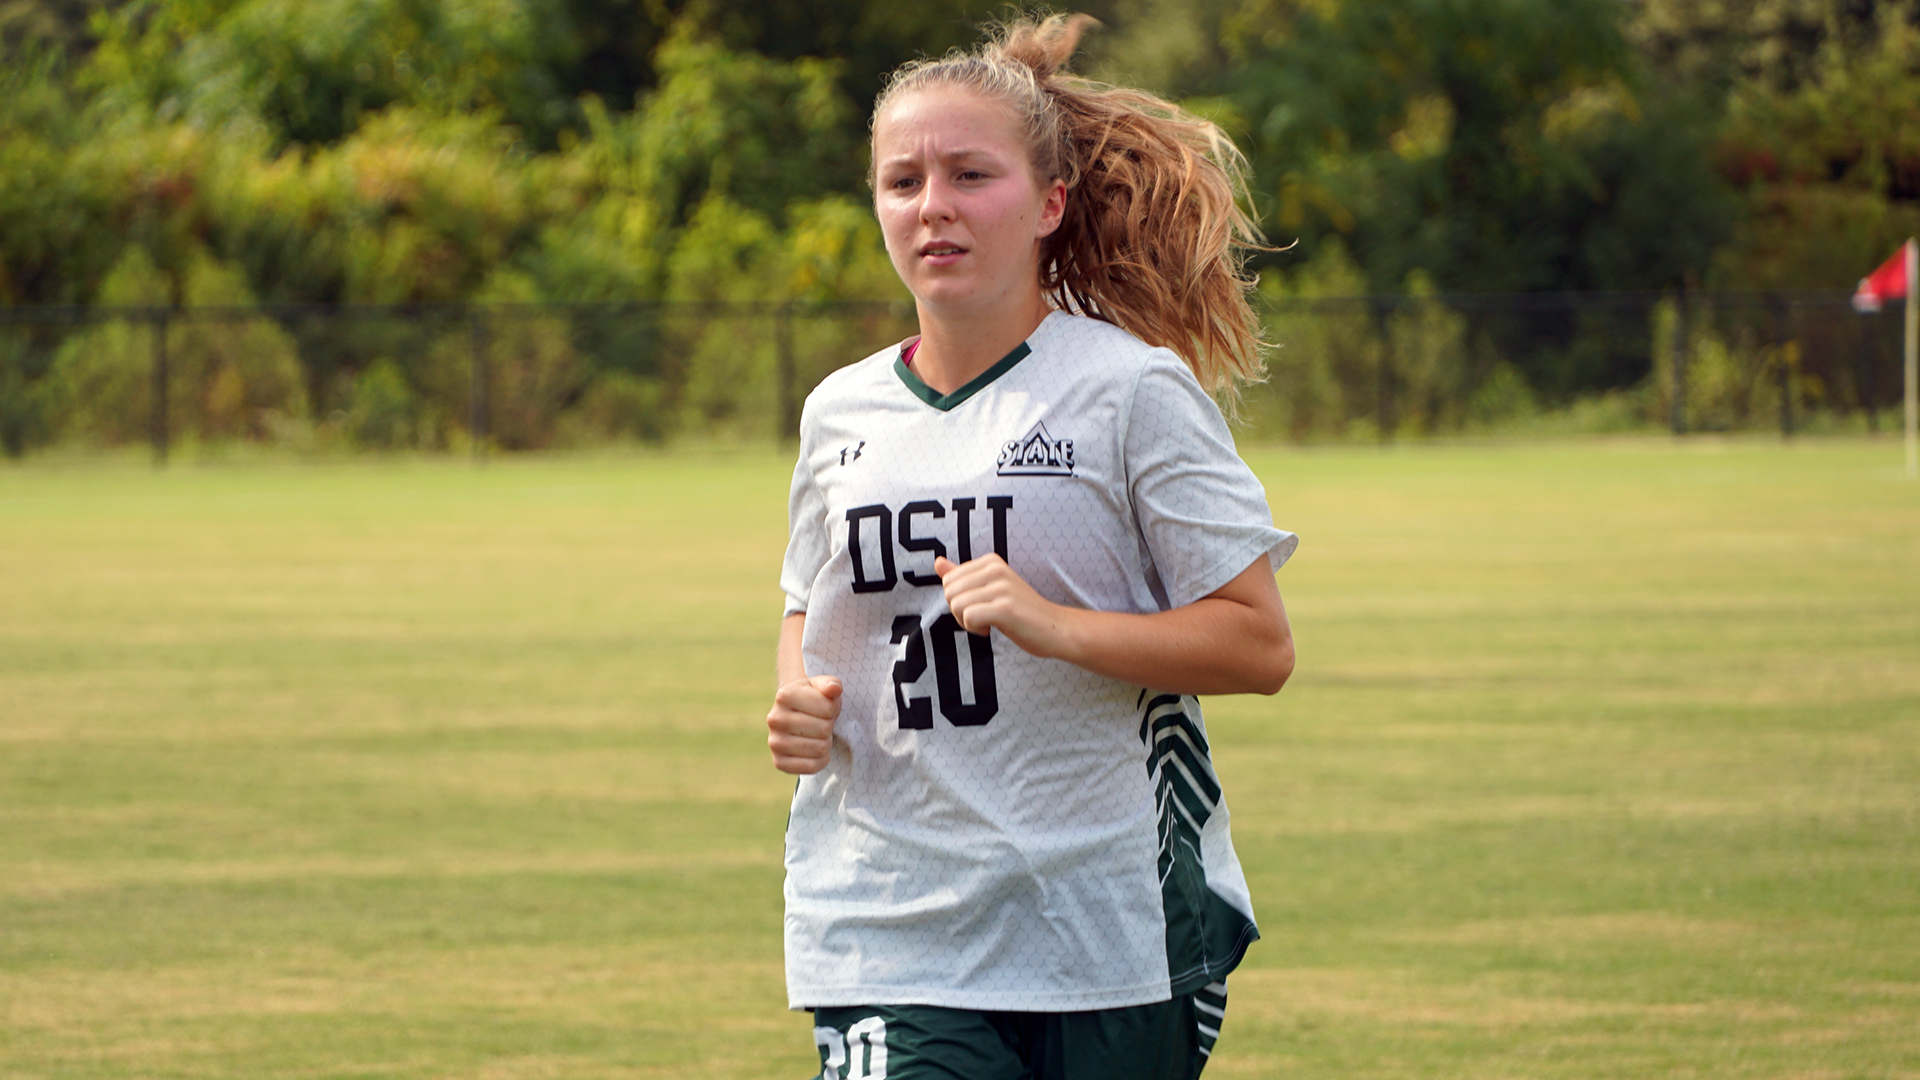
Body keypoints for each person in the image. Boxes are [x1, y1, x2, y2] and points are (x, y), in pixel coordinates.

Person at [766, 14, 1297, 1079]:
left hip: (1108, 922)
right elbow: (810, 606)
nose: (934, 207)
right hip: (888, 914)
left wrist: (1057, 628)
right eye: (902, 181)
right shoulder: (841, 411)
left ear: (1050, 202)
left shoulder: (1129, 391)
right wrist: (798, 700)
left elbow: (1256, 646)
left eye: (971, 175)